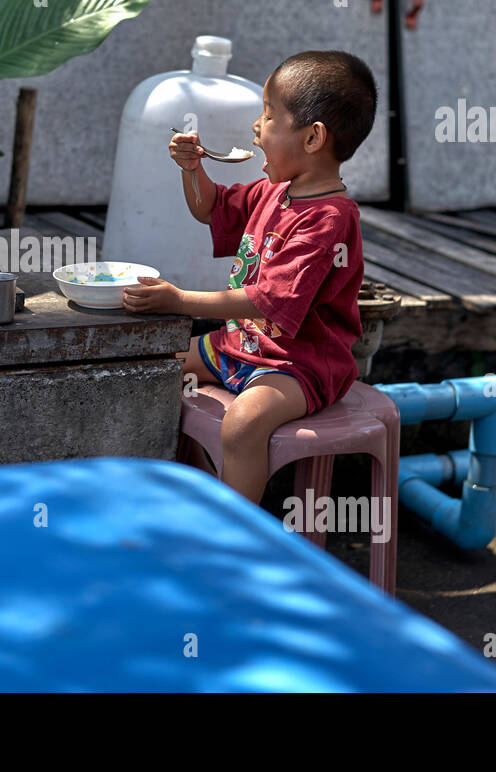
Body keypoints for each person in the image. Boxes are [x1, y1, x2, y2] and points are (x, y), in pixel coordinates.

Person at [122, 50, 375, 504]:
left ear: (314, 137)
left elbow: (264, 301)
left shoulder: (329, 219)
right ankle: (193, 495)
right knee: (157, 375)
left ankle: (236, 535)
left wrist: (179, 300)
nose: (256, 128)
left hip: (299, 364)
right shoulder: (274, 191)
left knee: (243, 422)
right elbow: (210, 208)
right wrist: (192, 169)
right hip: (239, 346)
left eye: (270, 116)